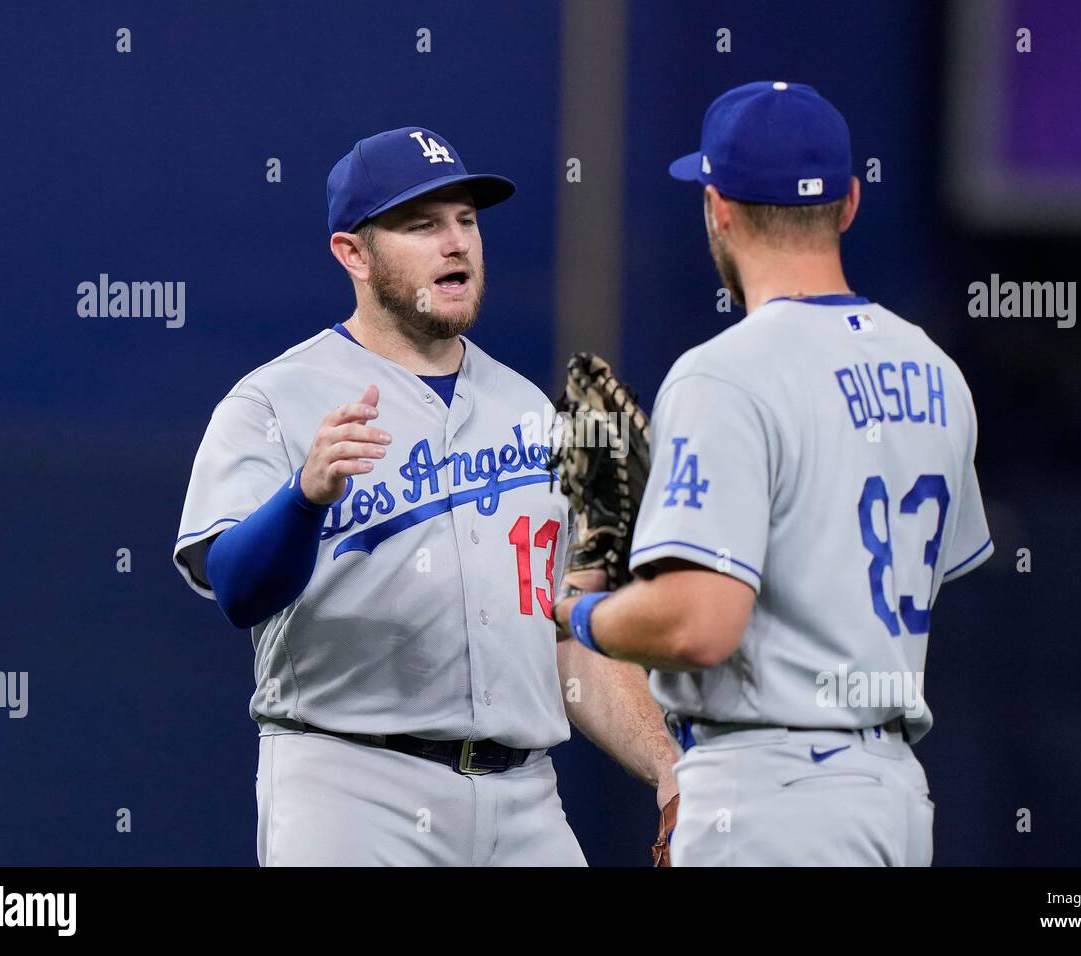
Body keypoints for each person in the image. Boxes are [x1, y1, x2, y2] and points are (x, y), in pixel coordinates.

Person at [173, 126, 679, 866]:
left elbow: (563, 635)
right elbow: (237, 590)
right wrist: (303, 499)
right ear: (353, 253)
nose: (457, 244)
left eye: (466, 221)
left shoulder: (529, 411)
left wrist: (667, 766)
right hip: (352, 788)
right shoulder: (273, 402)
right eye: (421, 225)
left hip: (525, 799)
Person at [554, 83, 993, 866]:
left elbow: (699, 623)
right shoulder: (936, 371)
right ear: (850, 203)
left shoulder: (724, 376)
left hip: (771, 795)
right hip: (891, 794)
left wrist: (589, 613)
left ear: (718, 207)